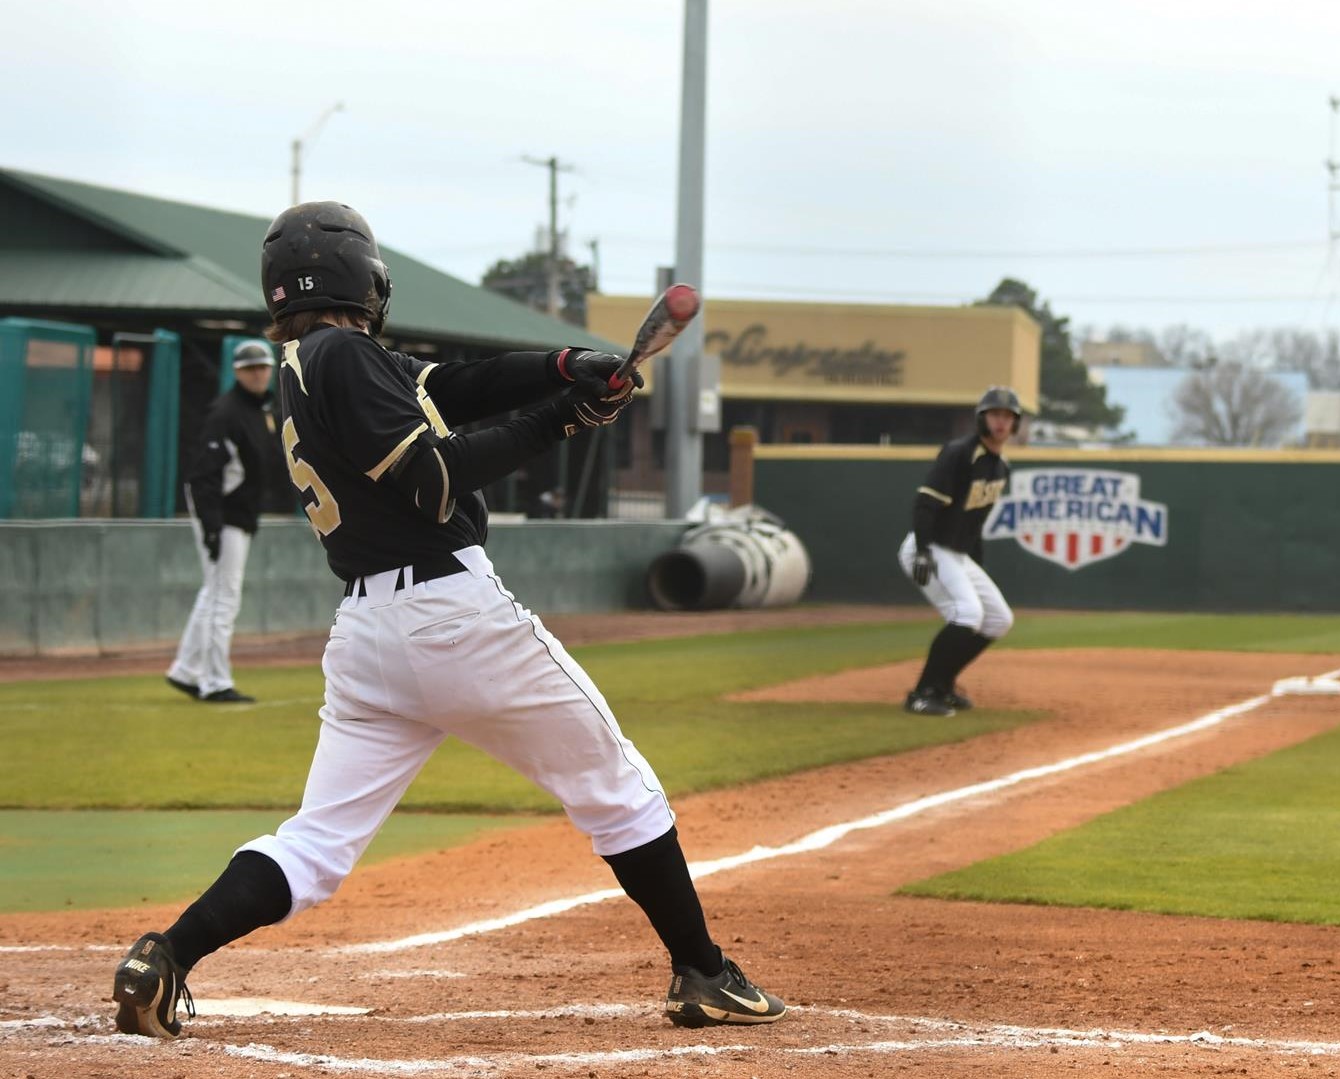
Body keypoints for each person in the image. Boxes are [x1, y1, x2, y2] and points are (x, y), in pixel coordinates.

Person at [111, 201, 784, 1039]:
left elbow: (455, 386)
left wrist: (564, 366)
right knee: (619, 790)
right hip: (452, 615)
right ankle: (704, 972)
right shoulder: (344, 356)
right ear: (362, 278)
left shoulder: (307, 365)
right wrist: (563, 416)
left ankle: (165, 955)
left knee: (315, 844)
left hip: (368, 636)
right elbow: (433, 481)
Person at [164, 342, 283, 703]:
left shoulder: (261, 409)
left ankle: (186, 669)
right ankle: (215, 682)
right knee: (223, 597)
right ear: (236, 371)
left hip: (239, 512)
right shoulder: (226, 413)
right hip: (221, 511)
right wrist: (212, 526)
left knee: (215, 592)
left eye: (262, 367)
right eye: (250, 368)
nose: (258, 374)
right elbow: (204, 477)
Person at [896, 386, 1020, 717]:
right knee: (967, 613)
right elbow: (925, 503)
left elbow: (974, 521)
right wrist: (922, 551)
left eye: (1008, 416)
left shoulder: (1001, 466)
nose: (1001, 422)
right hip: (930, 546)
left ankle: (944, 685)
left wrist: (975, 565)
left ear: (1015, 423)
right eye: (994, 415)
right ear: (981, 419)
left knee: (999, 619)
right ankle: (923, 693)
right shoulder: (960, 452)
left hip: (957, 554)